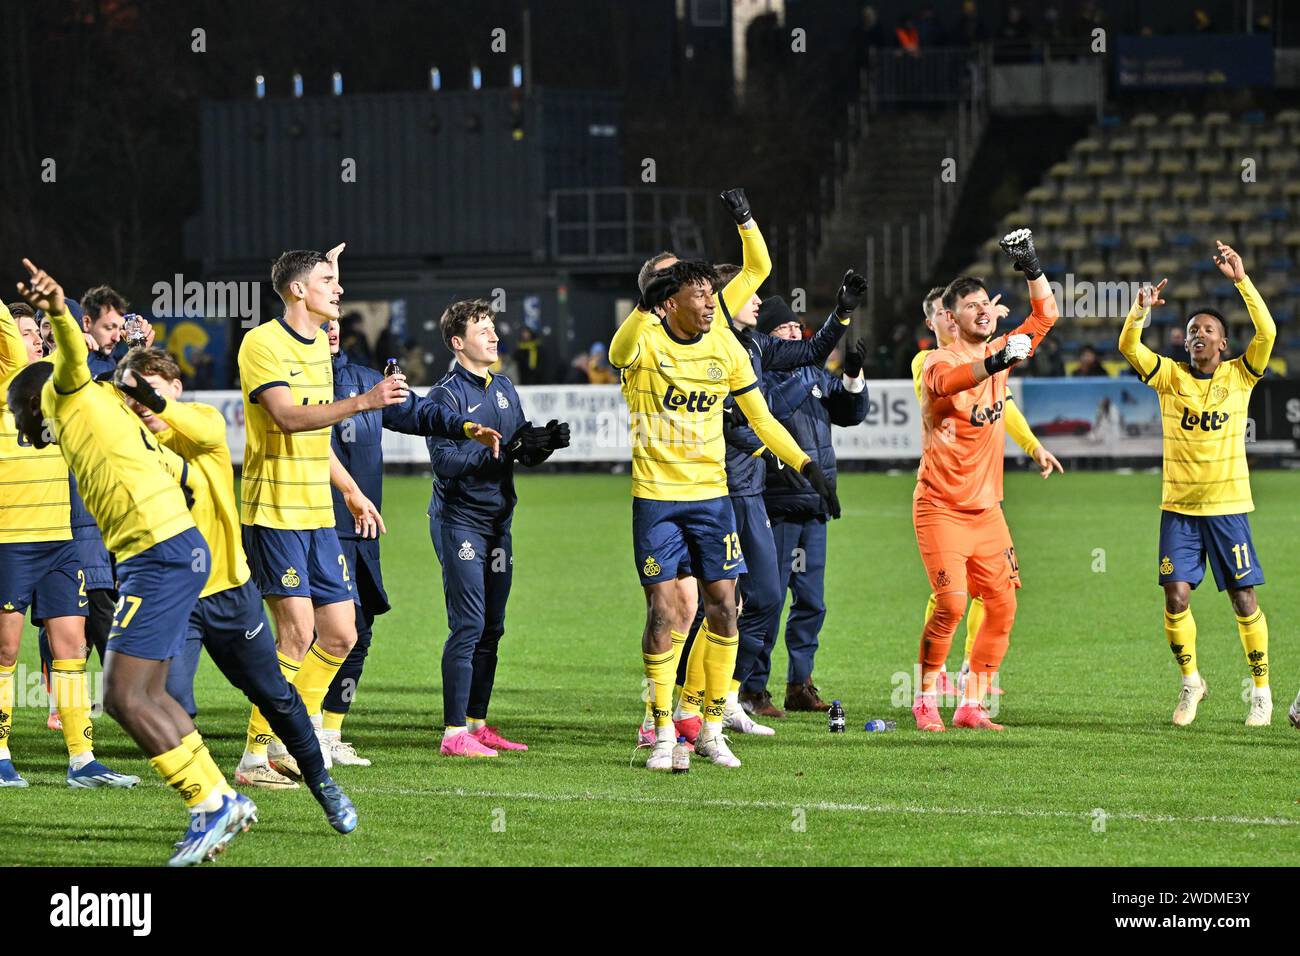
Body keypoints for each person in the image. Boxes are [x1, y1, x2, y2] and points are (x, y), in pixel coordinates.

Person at [9, 259, 252, 865]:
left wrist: (58, 307)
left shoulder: (68, 393)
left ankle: (210, 804)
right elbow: (168, 467)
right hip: (168, 550)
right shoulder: (99, 413)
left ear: (34, 400)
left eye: (18, 416)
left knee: (121, 696)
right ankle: (220, 798)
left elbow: (65, 350)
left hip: (159, 554)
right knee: (149, 690)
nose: (19, 428)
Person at [234, 245, 495, 784]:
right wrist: (364, 402)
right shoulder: (262, 343)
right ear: (298, 290)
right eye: (329, 280)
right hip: (275, 509)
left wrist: (351, 490)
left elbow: (316, 435)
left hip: (318, 513)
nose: (340, 289)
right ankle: (256, 757)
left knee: (341, 632)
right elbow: (286, 418)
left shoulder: (316, 350)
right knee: (296, 634)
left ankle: (294, 736)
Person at [115, 347, 358, 831]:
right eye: (133, 395)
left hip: (231, 593)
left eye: (153, 390)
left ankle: (323, 785)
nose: (143, 403)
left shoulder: (204, 423)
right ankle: (210, 803)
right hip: (174, 602)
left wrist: (138, 393)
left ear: (175, 389)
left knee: (276, 696)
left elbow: (191, 425)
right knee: (170, 703)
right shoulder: (128, 447)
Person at [610, 257, 837, 770]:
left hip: (713, 500)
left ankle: (711, 728)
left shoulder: (726, 347)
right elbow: (617, 350)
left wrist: (804, 464)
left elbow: (759, 417)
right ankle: (663, 731)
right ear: (671, 303)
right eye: (701, 296)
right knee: (665, 614)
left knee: (725, 610)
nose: (713, 303)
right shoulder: (645, 339)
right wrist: (644, 307)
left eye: (714, 295)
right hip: (658, 500)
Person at [674, 274, 856, 732]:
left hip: (751, 488)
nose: (758, 300)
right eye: (751, 293)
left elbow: (813, 355)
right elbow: (745, 417)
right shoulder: (711, 347)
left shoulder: (752, 346)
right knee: (707, 604)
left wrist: (842, 315)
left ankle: (727, 696)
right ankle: (687, 705)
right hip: (718, 489)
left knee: (760, 599)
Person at [319, 319, 501, 764]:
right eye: (322, 323)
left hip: (362, 527)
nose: (331, 329)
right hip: (314, 525)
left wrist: (463, 427)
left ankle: (327, 732)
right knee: (314, 635)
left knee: (358, 634)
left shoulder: (365, 379)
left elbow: (419, 413)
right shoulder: (290, 382)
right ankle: (282, 733)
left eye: (336, 323)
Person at [1117, 243, 1275, 727]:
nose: (1199, 335)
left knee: (1243, 598)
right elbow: (1128, 347)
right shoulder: (1169, 377)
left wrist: (1241, 280)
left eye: (1207, 330)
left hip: (1229, 507)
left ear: (1223, 343)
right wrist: (1140, 310)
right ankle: (1191, 682)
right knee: (1176, 596)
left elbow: (1266, 331)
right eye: (1192, 332)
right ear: (1185, 345)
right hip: (1180, 510)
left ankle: (1262, 693)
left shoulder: (1240, 375)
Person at [912, 229, 1060, 732]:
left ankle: (972, 703)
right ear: (949, 319)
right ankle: (925, 698)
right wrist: (998, 359)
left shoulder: (998, 351)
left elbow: (1045, 318)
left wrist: (1032, 268)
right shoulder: (938, 360)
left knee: (1003, 606)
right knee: (952, 604)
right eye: (970, 305)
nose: (982, 310)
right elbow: (947, 382)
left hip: (988, 511)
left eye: (984, 304)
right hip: (940, 509)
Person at [0, 299, 136, 788]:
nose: (32, 339)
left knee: (72, 645)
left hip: (60, 538)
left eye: (35, 332)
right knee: (6, 650)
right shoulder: (6, 385)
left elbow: (87, 355)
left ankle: (83, 759)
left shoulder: (56, 386)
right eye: (20, 334)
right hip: (9, 536)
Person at [426, 299, 567, 757]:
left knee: (492, 626)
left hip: (498, 523)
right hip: (459, 523)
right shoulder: (444, 397)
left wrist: (541, 444)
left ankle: (477, 723)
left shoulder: (504, 386)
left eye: (493, 327)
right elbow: (446, 463)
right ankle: (452, 735)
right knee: (467, 624)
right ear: (457, 342)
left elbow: (517, 445)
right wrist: (505, 451)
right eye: (482, 329)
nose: (493, 336)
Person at [748, 300, 868, 711]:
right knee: (769, 600)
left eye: (798, 327)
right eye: (783, 329)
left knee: (811, 602)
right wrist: (805, 371)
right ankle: (752, 687)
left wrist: (852, 377)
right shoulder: (756, 375)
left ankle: (800, 684)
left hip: (814, 504)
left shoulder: (812, 372)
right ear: (766, 338)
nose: (795, 334)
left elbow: (851, 414)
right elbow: (772, 412)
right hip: (778, 504)